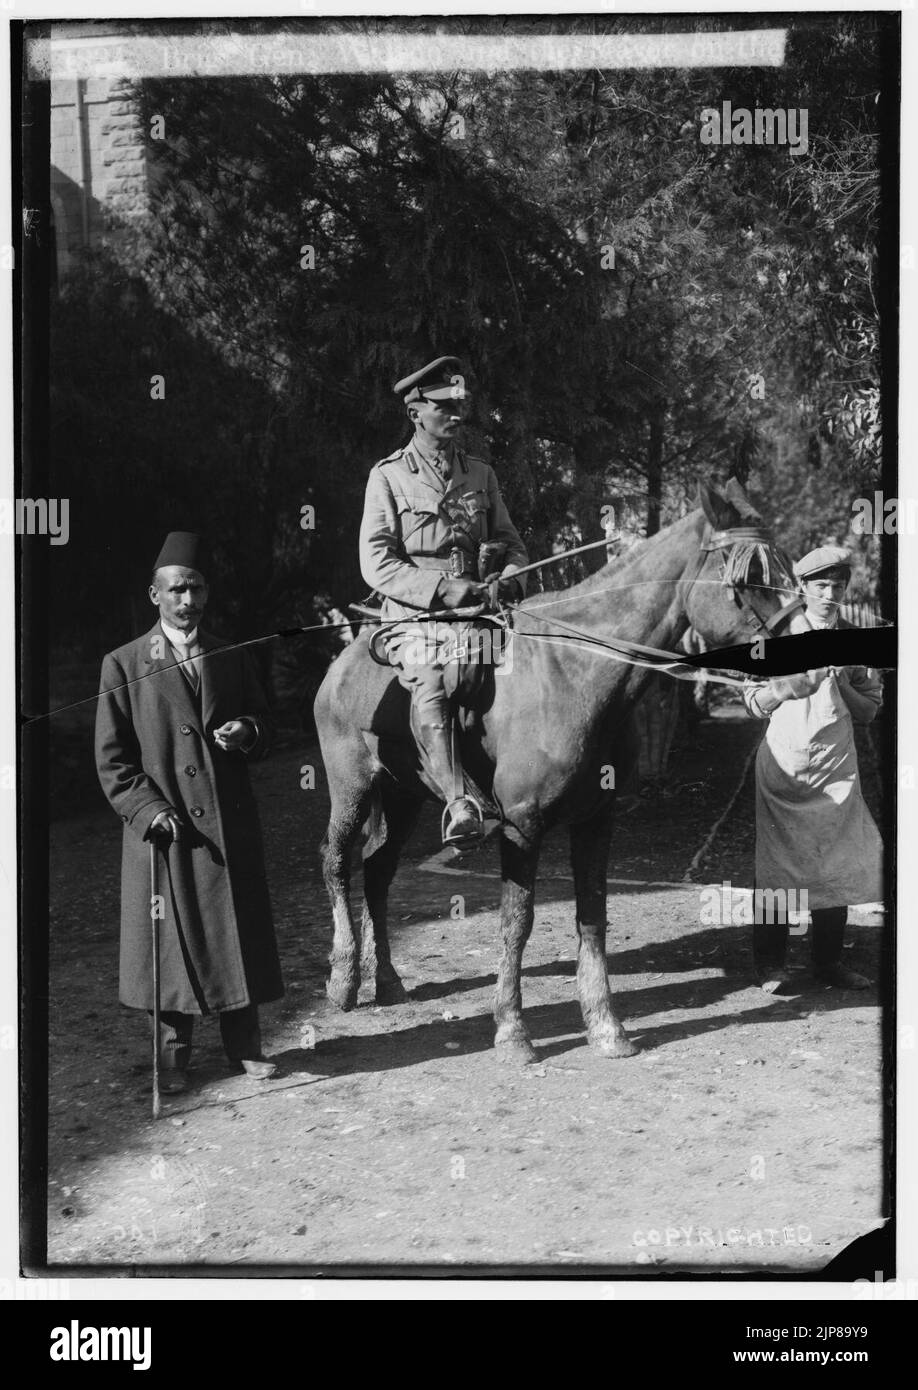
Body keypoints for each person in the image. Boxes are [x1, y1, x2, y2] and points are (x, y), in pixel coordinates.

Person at [95, 531, 283, 1093]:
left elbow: (268, 727)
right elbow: (112, 760)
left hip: (228, 824)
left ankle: (245, 1048)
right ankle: (171, 1062)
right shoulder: (123, 664)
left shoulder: (230, 654)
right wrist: (146, 808)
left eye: (197, 588)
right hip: (167, 830)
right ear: (155, 595)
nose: (189, 600)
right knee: (170, 943)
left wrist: (248, 731)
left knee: (236, 931)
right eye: (177, 589)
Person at [359, 355, 528, 846]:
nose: (456, 414)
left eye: (460, 405)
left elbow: (513, 544)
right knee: (432, 677)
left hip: (478, 612)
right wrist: (439, 589)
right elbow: (377, 563)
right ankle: (459, 802)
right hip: (413, 621)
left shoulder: (480, 473)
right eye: (442, 406)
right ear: (415, 412)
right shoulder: (388, 477)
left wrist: (508, 578)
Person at [743, 544, 883, 994]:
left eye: (838, 586)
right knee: (778, 866)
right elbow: (751, 702)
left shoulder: (855, 641)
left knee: (835, 865)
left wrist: (843, 679)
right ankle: (770, 965)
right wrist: (784, 687)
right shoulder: (775, 638)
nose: (829, 594)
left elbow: (869, 712)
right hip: (783, 767)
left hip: (836, 768)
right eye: (821, 585)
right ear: (802, 588)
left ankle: (827, 964)